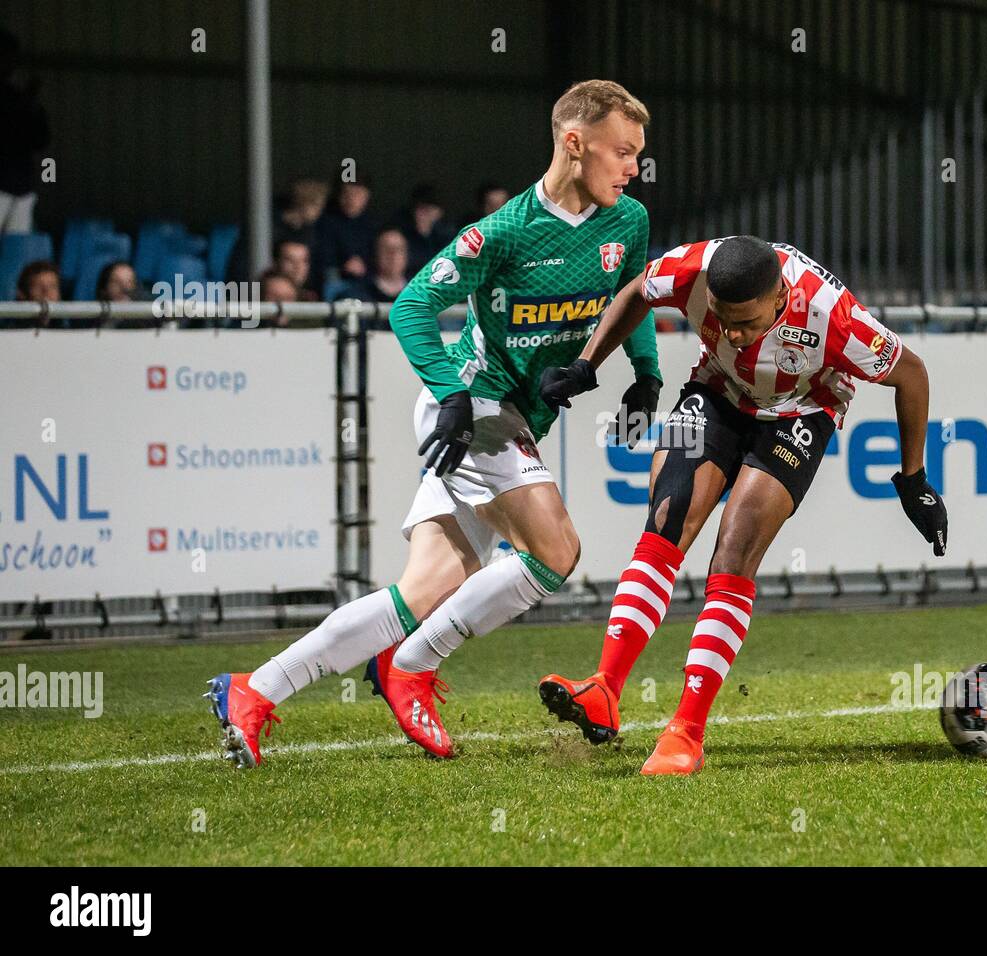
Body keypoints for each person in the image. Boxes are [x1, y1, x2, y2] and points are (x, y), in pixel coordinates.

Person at [205, 79, 662, 768]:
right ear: (574, 142)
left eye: (638, 155)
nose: (634, 168)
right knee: (556, 551)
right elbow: (411, 306)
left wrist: (646, 372)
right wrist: (449, 393)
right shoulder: (505, 232)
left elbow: (634, 294)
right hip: (475, 407)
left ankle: (254, 688)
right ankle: (411, 665)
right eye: (623, 152)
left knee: (421, 591)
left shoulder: (626, 221)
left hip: (513, 415)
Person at [536, 236, 948, 775]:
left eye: (747, 323)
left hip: (799, 414)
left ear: (780, 298)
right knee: (666, 518)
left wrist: (913, 480)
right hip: (715, 393)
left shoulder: (834, 317)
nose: (732, 332)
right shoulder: (695, 270)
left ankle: (686, 731)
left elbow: (911, 374)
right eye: (723, 320)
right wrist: (588, 363)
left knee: (733, 552)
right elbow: (637, 289)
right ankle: (604, 688)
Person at [0, 29, 50, 235]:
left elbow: (41, 140)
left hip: (20, 188)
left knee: (15, 250)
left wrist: (29, 104)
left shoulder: (19, 98)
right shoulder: (16, 99)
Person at [317, 179, 378, 285]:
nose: (351, 199)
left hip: (369, 281)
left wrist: (364, 265)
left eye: (357, 194)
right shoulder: (325, 222)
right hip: (333, 280)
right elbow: (322, 258)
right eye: (346, 194)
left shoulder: (374, 226)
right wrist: (342, 267)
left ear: (367, 196)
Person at [392, 182, 455, 278]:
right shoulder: (400, 231)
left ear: (439, 213)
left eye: (430, 210)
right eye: (421, 209)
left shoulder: (446, 234)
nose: (424, 214)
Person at [360, 228, 409, 302]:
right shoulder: (361, 292)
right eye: (387, 249)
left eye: (398, 249)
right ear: (377, 254)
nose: (393, 255)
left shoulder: (419, 294)